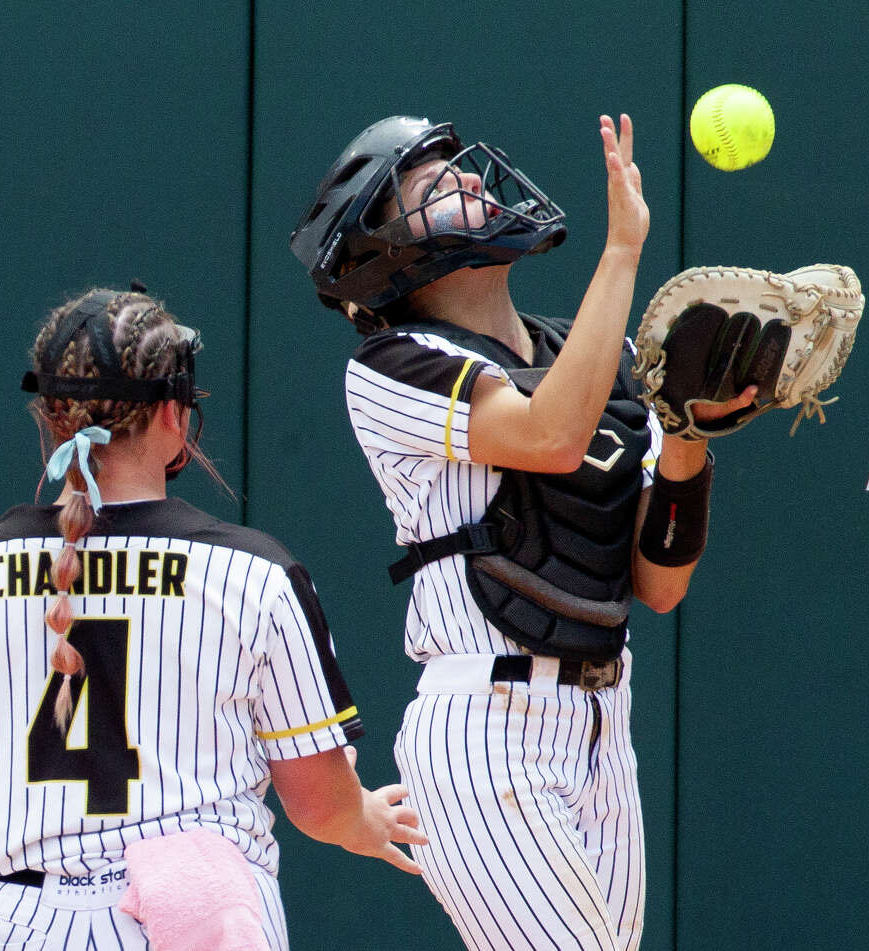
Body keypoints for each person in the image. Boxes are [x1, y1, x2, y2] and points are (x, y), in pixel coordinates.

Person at [290, 115, 754, 951]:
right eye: (433, 184)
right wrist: (622, 252)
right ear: (390, 247)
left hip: (603, 720)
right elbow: (550, 435)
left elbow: (659, 585)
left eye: (459, 168)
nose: (470, 179)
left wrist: (688, 434)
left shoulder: (591, 356)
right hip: (487, 726)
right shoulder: (391, 364)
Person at [0, 286, 426, 951]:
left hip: (18, 922)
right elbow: (321, 806)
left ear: (51, 416)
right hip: (196, 916)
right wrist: (362, 818)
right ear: (175, 411)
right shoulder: (255, 574)